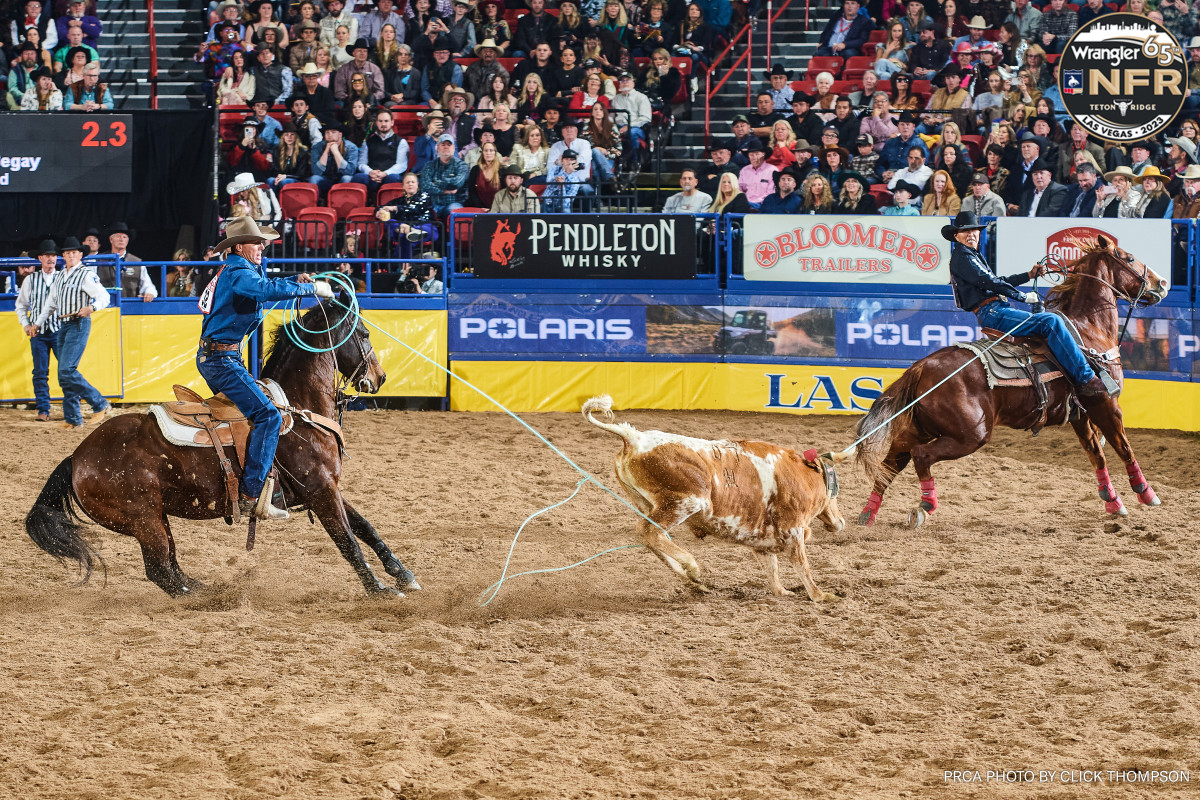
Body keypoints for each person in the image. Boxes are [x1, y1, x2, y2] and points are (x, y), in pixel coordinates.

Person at [196, 216, 333, 519]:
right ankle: (251, 494)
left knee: (254, 414)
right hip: (221, 361)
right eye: (257, 242)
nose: (262, 247)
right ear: (240, 246)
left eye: (262, 242)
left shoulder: (238, 269)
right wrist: (311, 290)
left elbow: (265, 285)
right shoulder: (237, 272)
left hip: (223, 359)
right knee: (268, 416)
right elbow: (262, 289)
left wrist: (295, 282)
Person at [944, 210, 1108, 397]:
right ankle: (1086, 378)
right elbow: (991, 282)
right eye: (966, 231)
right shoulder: (963, 257)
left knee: (1048, 321)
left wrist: (1029, 275)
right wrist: (1022, 297)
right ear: (956, 236)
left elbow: (997, 280)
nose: (971, 234)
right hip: (993, 312)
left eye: (974, 230)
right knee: (1050, 322)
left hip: (994, 310)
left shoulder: (971, 256)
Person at [31, 237, 113, 429]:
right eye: (67, 253)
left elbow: (104, 296)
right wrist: (37, 324)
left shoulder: (85, 274)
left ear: (80, 254)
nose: (70, 256)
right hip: (63, 325)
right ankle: (73, 419)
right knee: (64, 374)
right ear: (63, 255)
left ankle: (99, 403)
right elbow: (50, 304)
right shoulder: (60, 276)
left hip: (78, 323)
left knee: (66, 370)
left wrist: (92, 307)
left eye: (74, 252)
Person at [16, 239, 61, 422]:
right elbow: (20, 306)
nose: (50, 259)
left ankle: (70, 408)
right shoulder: (30, 280)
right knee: (40, 372)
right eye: (47, 256)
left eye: (53, 255)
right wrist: (26, 324)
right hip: (38, 333)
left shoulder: (63, 277)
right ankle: (43, 409)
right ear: (40, 258)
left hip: (59, 330)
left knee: (66, 370)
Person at [376, 171, 439, 259]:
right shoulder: (399, 201)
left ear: (417, 184)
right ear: (403, 186)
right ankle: (410, 231)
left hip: (424, 226)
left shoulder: (425, 197)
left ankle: (411, 231)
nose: (410, 184)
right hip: (403, 230)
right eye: (407, 182)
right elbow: (381, 207)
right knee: (390, 222)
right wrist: (379, 211)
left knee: (407, 237)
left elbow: (414, 208)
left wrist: (395, 208)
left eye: (413, 182)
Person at [352, 107, 410, 200]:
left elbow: (402, 165)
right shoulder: (368, 140)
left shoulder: (401, 141)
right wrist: (370, 172)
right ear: (376, 123)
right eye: (380, 121)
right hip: (371, 175)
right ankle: (365, 205)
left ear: (392, 122)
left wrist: (384, 173)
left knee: (394, 178)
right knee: (358, 177)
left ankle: (387, 205)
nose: (383, 124)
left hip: (389, 175)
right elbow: (361, 163)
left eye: (386, 121)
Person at [420, 133, 469, 215]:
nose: (446, 147)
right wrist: (443, 191)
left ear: (453, 148)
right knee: (424, 210)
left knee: (453, 211)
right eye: (443, 144)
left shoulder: (462, 166)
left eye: (449, 145)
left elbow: (456, 183)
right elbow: (425, 186)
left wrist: (435, 182)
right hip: (433, 203)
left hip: (454, 203)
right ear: (438, 148)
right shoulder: (429, 165)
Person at [107, 222, 156, 300]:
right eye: (118, 236)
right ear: (111, 239)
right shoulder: (99, 260)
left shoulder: (137, 262)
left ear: (128, 240)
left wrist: (149, 293)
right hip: (104, 307)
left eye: (124, 237)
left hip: (129, 307)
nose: (121, 239)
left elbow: (148, 285)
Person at [309, 120, 360, 196]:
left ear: (340, 134)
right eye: (327, 132)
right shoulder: (317, 147)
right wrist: (326, 151)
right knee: (314, 178)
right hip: (326, 178)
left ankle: (342, 204)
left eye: (333, 132)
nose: (329, 135)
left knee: (347, 178)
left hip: (342, 178)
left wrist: (336, 152)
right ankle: (314, 205)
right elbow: (316, 172)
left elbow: (349, 171)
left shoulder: (351, 147)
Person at [334, 37, 384, 105]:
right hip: (348, 101)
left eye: (365, 51)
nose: (362, 53)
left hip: (369, 101)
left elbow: (380, 91)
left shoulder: (375, 69)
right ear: (354, 53)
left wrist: (371, 98)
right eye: (359, 51)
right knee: (339, 104)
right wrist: (351, 100)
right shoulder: (343, 69)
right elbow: (339, 91)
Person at [738, 140, 777, 210]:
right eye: (751, 155)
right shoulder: (744, 170)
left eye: (757, 154)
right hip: (746, 205)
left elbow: (771, 193)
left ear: (763, 154)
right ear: (748, 156)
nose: (754, 157)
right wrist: (746, 202)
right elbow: (740, 190)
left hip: (764, 205)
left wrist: (755, 203)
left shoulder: (772, 170)